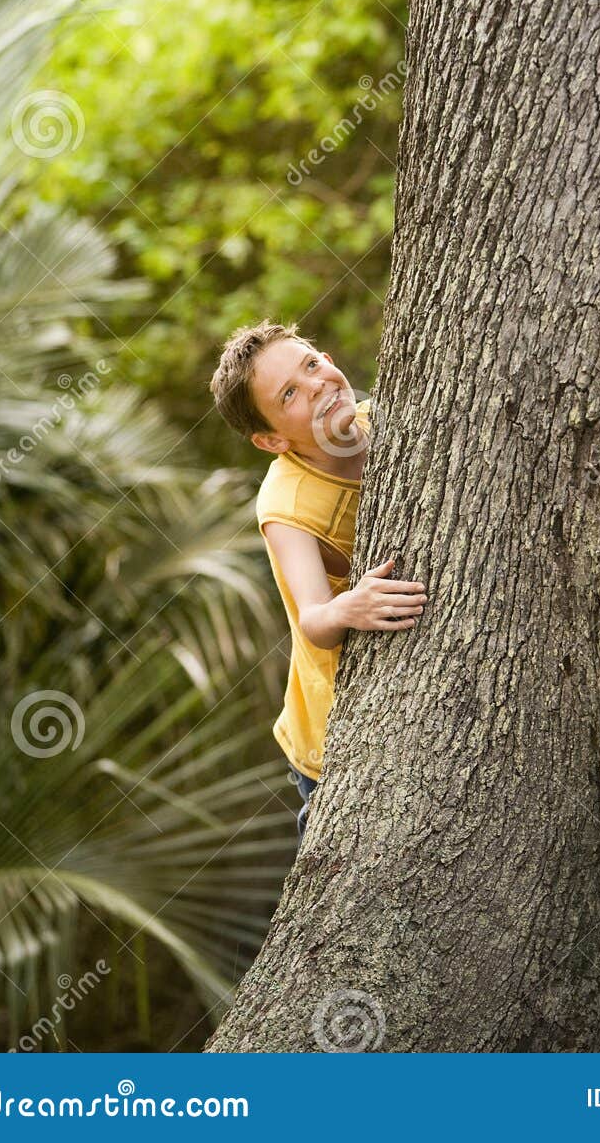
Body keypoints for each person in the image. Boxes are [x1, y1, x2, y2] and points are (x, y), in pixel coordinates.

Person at [208, 319, 426, 846]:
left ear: (327, 356)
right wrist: (350, 606)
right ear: (272, 439)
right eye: (290, 394)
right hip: (328, 738)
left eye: (311, 365)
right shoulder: (286, 506)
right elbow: (314, 620)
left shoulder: (388, 420)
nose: (317, 385)